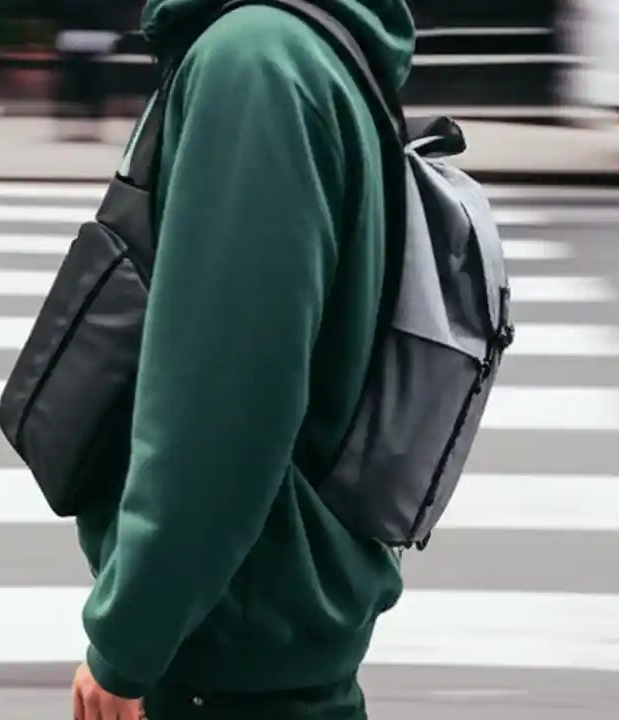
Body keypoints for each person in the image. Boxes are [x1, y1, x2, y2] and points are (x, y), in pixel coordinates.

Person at [70, 1, 415, 718]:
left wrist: (130, 638)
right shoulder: (299, 46)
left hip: (226, 653)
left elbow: (222, 404)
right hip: (257, 634)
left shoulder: (253, 64)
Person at [54, 0, 121, 142]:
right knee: (92, 80)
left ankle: (84, 122)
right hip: (90, 36)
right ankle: (86, 121)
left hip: (80, 35)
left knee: (82, 80)